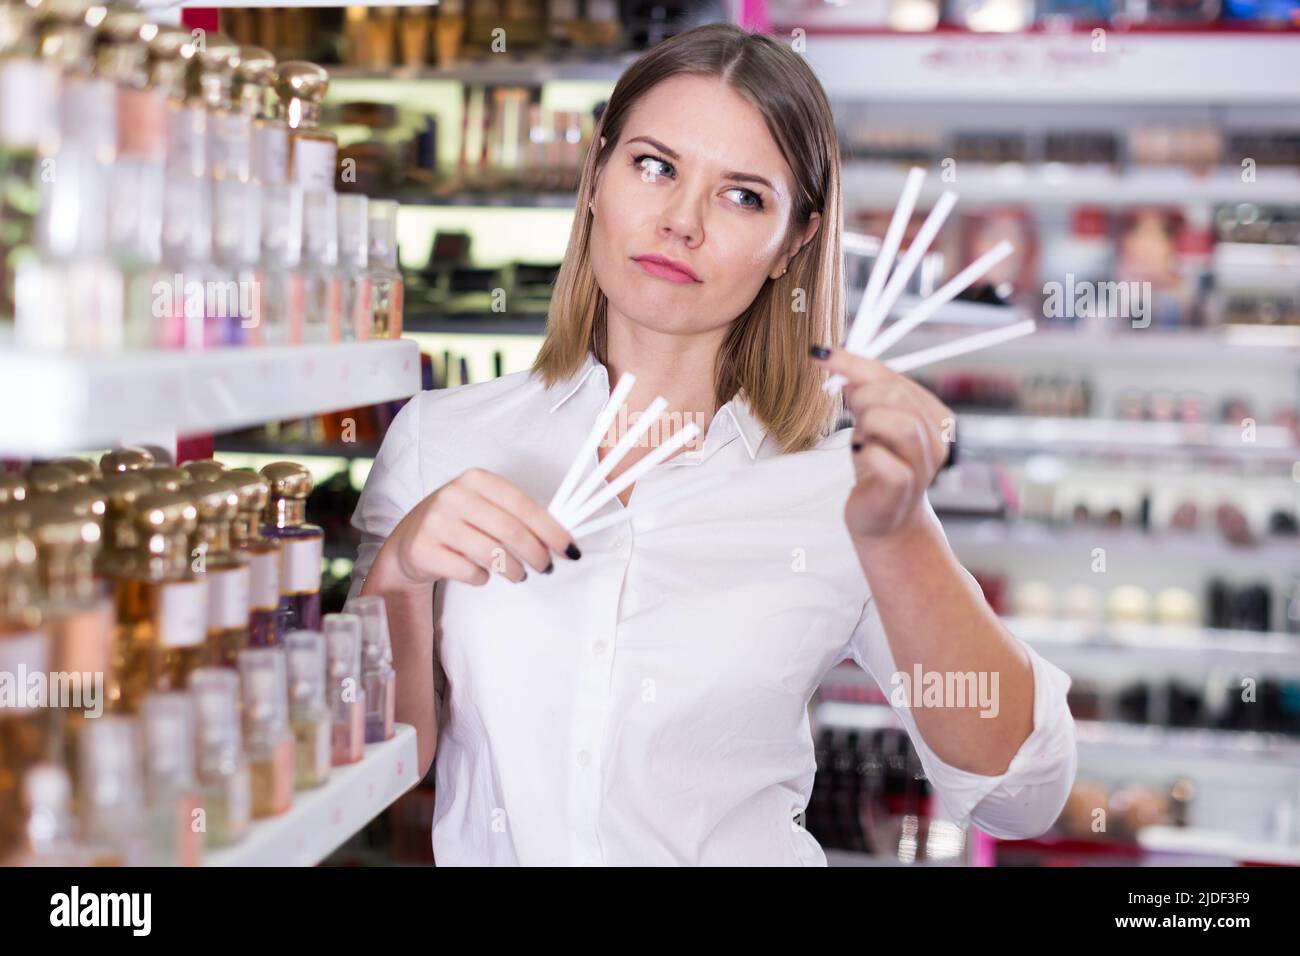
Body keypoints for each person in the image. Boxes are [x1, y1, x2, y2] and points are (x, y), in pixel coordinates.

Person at [349, 23, 1076, 866]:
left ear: (793, 243)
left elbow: (1023, 795)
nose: (680, 222)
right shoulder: (442, 438)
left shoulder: (837, 493)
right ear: (596, 177)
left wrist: (899, 537)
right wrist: (397, 578)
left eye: (742, 196)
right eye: (654, 166)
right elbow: (385, 764)